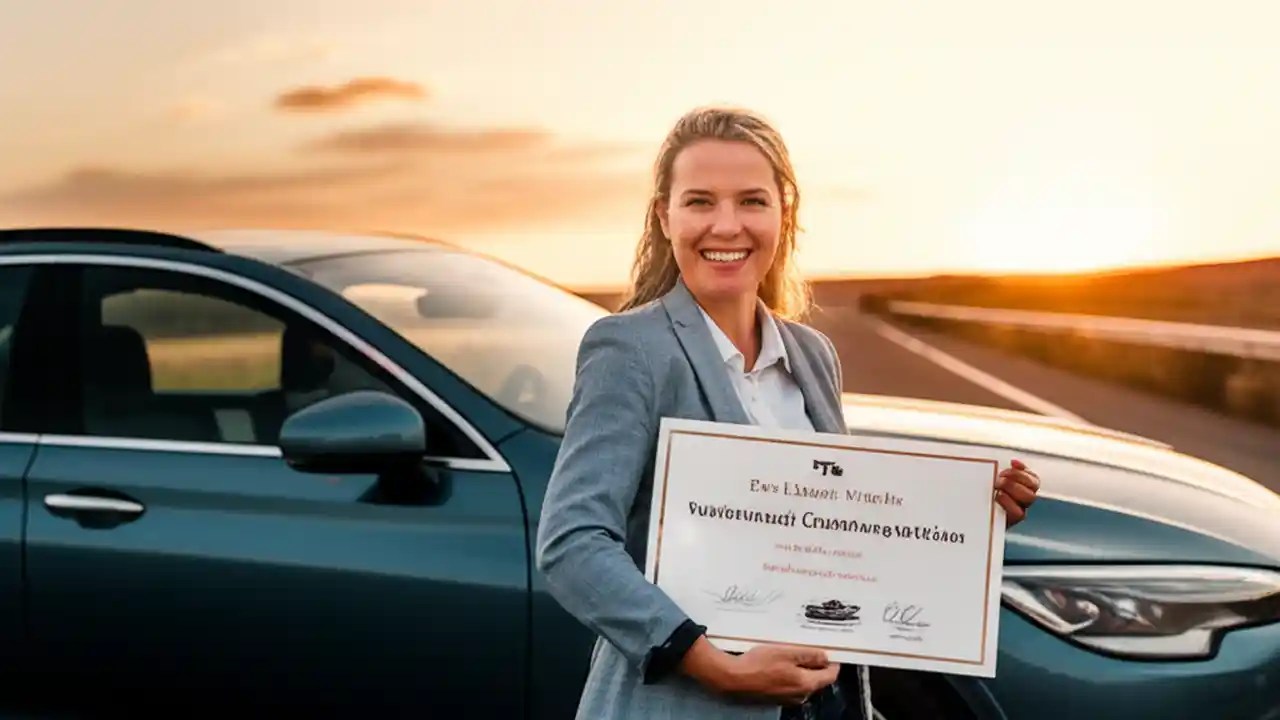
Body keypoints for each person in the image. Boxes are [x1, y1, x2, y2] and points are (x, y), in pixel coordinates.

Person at [535, 106, 1041, 720]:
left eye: (752, 201)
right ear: (664, 218)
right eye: (699, 202)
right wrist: (714, 665)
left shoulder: (813, 356)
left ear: (784, 216)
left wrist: (964, 521)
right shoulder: (630, 350)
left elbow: (833, 532)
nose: (727, 226)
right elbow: (572, 545)